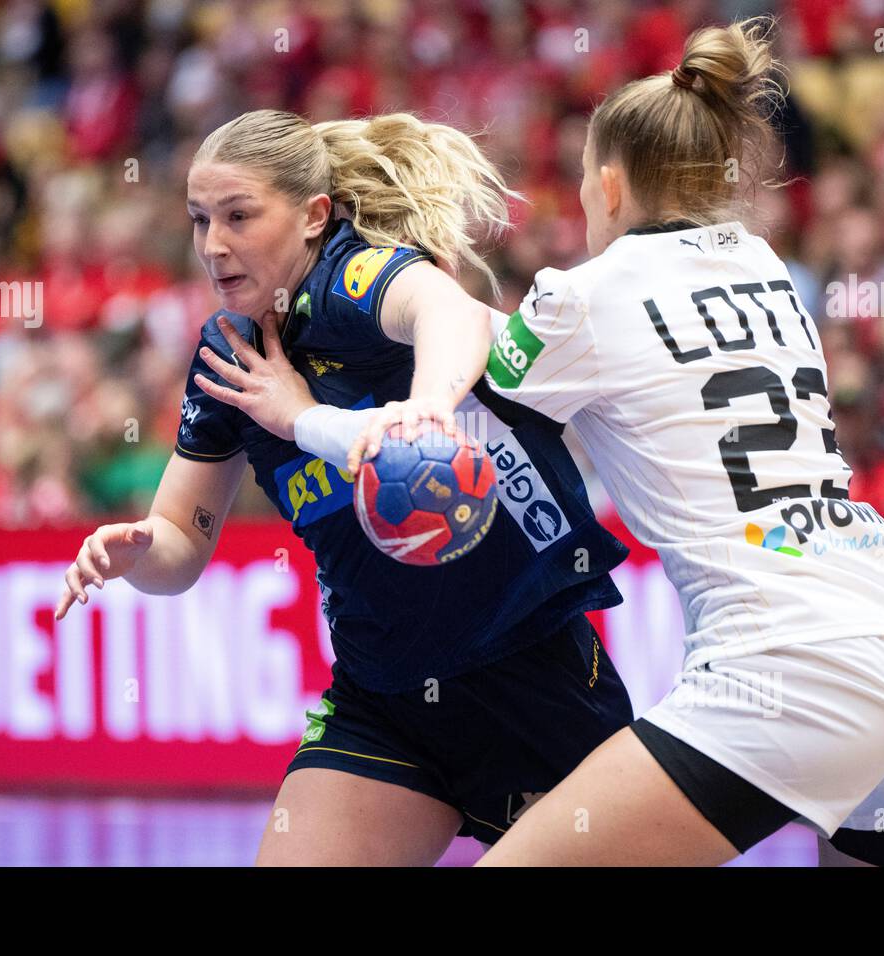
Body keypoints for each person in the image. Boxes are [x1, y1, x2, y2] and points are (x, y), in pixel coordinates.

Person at [253, 19, 884, 866]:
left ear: (608, 186)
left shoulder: (583, 297)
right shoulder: (769, 268)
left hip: (786, 671)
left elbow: (457, 380)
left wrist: (298, 412)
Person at [54, 109, 635, 865]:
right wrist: (135, 550)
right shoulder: (228, 356)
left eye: (239, 216)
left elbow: (447, 311)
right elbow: (180, 545)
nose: (213, 245)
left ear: (312, 218)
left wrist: (424, 410)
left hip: (532, 674)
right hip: (383, 697)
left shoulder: (350, 277)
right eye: (200, 221)